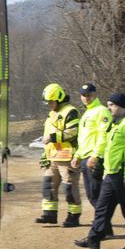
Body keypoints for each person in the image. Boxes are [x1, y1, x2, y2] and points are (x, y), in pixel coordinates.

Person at [74, 92, 125, 249]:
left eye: (111, 105)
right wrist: (97, 158)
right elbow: (105, 143)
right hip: (111, 174)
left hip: (123, 175)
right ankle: (94, 239)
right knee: (102, 208)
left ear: (120, 106)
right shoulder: (115, 123)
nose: (108, 107)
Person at [37, 83, 82, 227]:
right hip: (53, 158)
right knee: (48, 185)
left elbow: (73, 132)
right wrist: (45, 154)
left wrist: (53, 137)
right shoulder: (52, 114)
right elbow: (46, 136)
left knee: (69, 188)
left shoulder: (71, 111)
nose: (49, 105)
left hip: (68, 158)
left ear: (59, 99)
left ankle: (73, 216)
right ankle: (49, 214)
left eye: (51, 102)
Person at [73, 83, 113, 239]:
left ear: (95, 94)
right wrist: (77, 155)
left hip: (94, 159)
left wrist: (96, 156)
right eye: (83, 95)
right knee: (92, 195)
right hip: (85, 157)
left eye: (89, 95)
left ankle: (102, 229)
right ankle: (105, 228)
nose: (86, 98)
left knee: (96, 195)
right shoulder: (87, 113)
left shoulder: (101, 111)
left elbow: (104, 136)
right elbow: (84, 139)